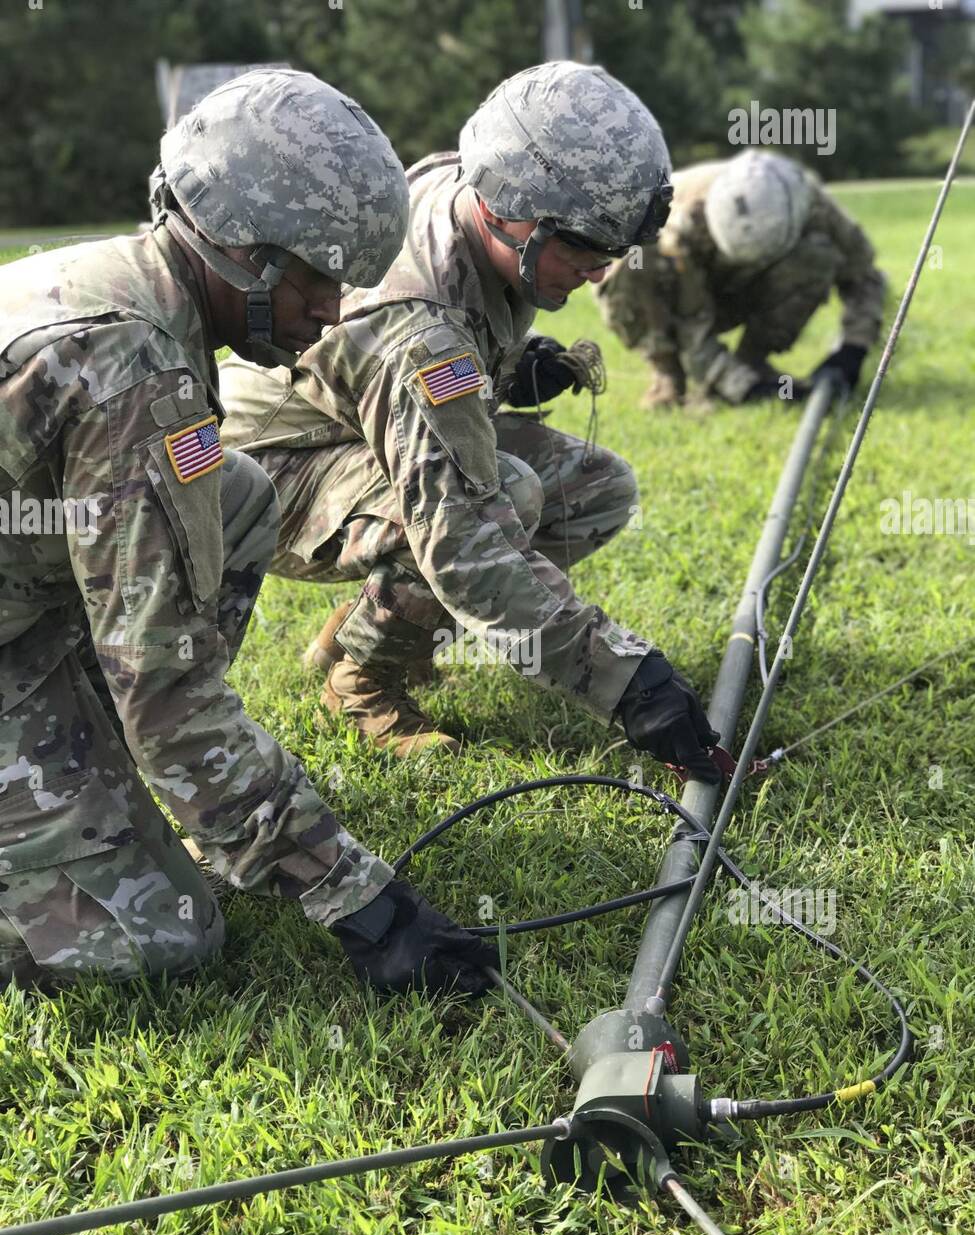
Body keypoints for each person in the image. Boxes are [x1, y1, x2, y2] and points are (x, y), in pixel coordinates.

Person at [0, 68, 498, 998]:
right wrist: (362, 903)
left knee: (234, 497)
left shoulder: (136, 289)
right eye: (317, 279)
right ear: (241, 253)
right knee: (159, 939)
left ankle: (113, 783)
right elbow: (167, 684)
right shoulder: (129, 372)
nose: (333, 311)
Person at [219, 61, 721, 781]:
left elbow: (443, 348)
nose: (598, 272)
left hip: (352, 421)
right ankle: (361, 687)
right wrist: (627, 685)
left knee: (594, 486)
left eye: (609, 251)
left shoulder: (472, 183)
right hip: (265, 469)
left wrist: (516, 367)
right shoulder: (419, 335)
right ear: (509, 210)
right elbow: (459, 535)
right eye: (581, 246)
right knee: (498, 499)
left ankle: (367, 632)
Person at [594, 150, 887, 409]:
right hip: (680, 291)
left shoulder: (817, 208)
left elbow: (864, 276)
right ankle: (667, 372)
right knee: (635, 260)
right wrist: (741, 386)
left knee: (815, 257)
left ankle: (752, 361)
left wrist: (853, 349)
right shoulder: (674, 216)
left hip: (746, 290)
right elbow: (690, 322)